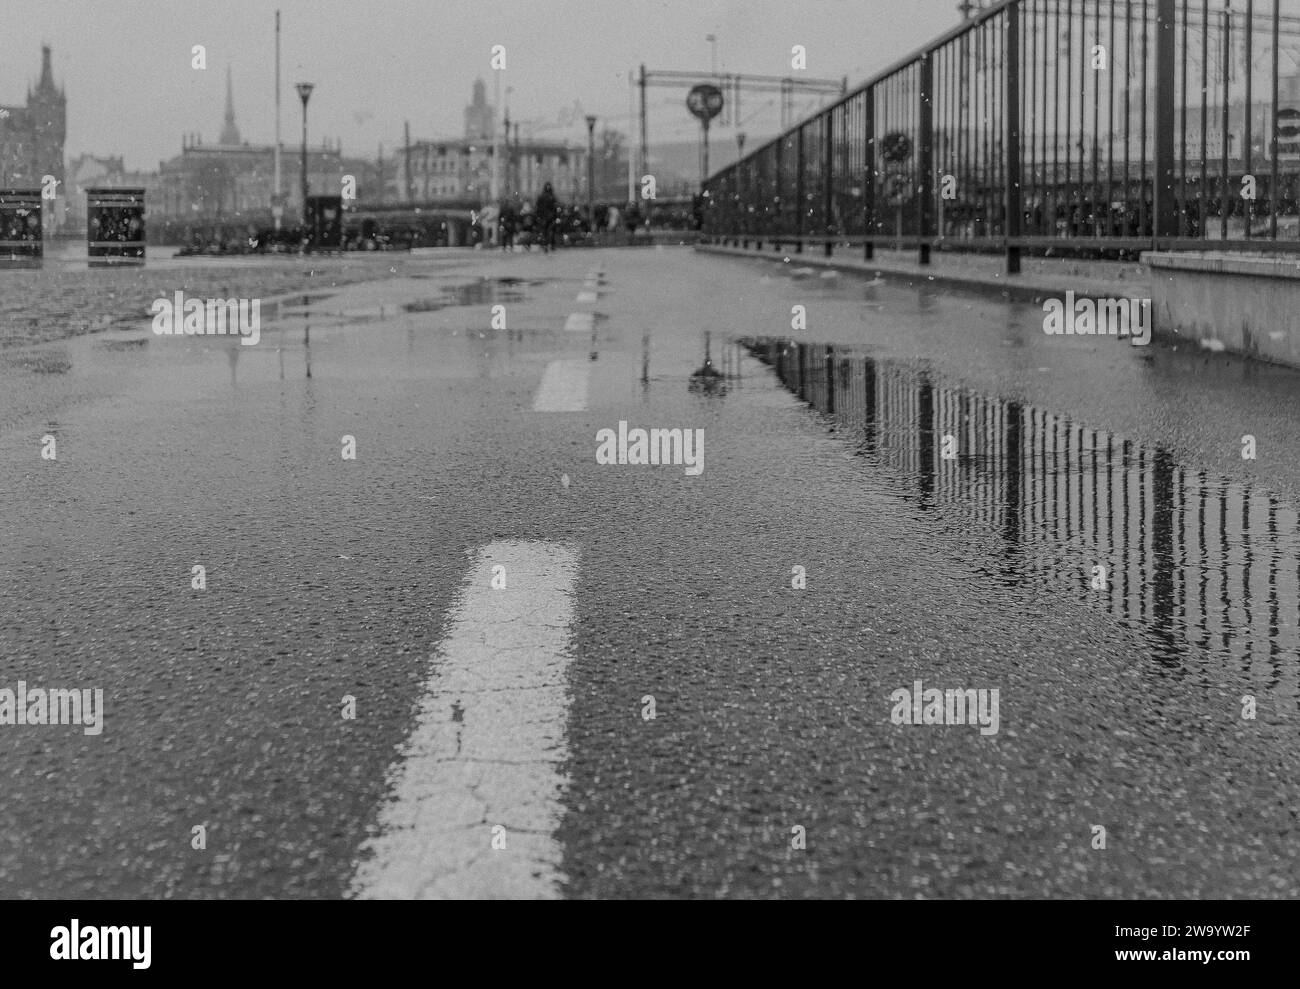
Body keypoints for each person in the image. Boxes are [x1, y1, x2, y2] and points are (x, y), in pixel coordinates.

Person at [535, 182, 559, 253]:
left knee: (545, 231)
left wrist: (538, 216)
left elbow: (538, 207)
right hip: (550, 216)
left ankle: (546, 244)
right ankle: (550, 244)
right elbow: (555, 207)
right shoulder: (551, 197)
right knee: (550, 231)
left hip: (544, 216)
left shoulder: (542, 196)